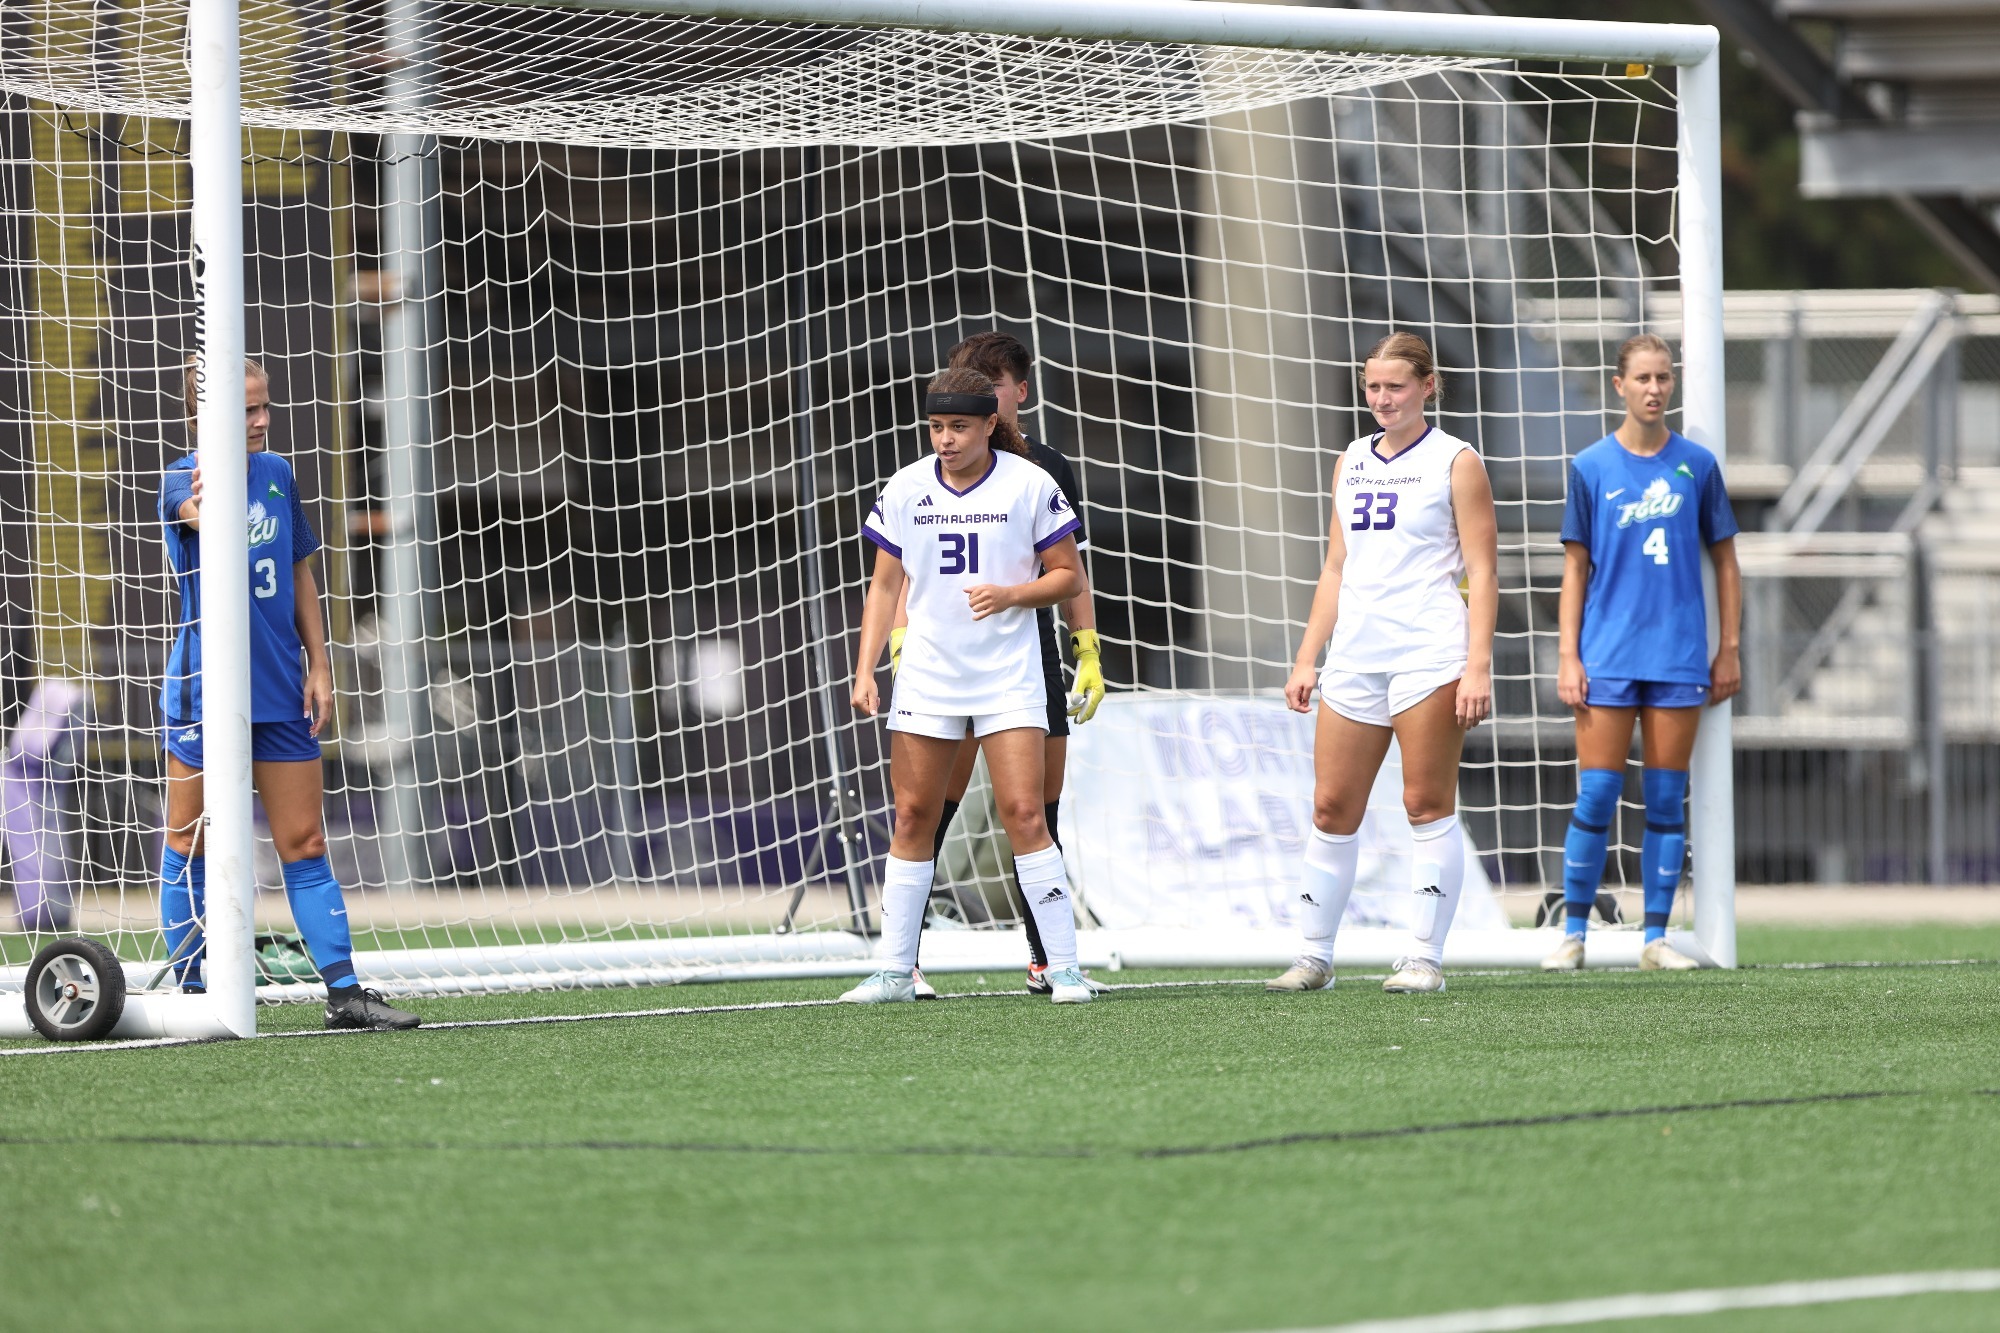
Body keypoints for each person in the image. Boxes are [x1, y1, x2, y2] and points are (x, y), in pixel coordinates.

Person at [158, 356, 419, 1031]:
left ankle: (345, 993)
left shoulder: (276, 476)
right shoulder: (181, 480)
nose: (261, 420)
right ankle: (190, 994)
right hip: (202, 696)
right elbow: (195, 515)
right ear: (205, 415)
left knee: (304, 842)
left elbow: (299, 570)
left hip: (279, 690)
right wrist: (203, 495)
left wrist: (321, 663)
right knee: (188, 842)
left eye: (264, 405)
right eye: (245, 409)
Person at [845, 367, 1094, 1005]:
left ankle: (1061, 967)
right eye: (936, 427)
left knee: (1025, 813)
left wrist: (1012, 594)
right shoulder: (904, 488)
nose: (946, 439)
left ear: (990, 425)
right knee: (912, 816)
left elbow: (1067, 575)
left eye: (959, 426)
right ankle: (894, 971)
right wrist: (866, 666)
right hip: (929, 674)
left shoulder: (1030, 483)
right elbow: (883, 586)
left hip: (1009, 674)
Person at [1266, 332, 1498, 996]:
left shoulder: (1456, 461)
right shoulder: (1351, 460)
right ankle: (1314, 956)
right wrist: (1307, 656)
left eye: (1395, 386)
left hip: (1429, 650)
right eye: (1373, 386)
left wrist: (1478, 664)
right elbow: (1337, 566)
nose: (1382, 398)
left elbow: (1483, 571)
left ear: (1429, 386)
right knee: (1331, 803)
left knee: (1425, 801)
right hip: (1356, 655)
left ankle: (1423, 957)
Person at [1542, 334, 1741, 973]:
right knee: (1596, 797)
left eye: (1664, 377)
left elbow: (1727, 562)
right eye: (1643, 378)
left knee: (1664, 801)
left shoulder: (1697, 466)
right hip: (1606, 656)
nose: (1654, 389)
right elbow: (1575, 570)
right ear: (1618, 385)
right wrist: (1569, 655)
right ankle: (1573, 933)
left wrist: (1728, 648)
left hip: (1680, 656)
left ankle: (1655, 940)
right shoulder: (1592, 467)